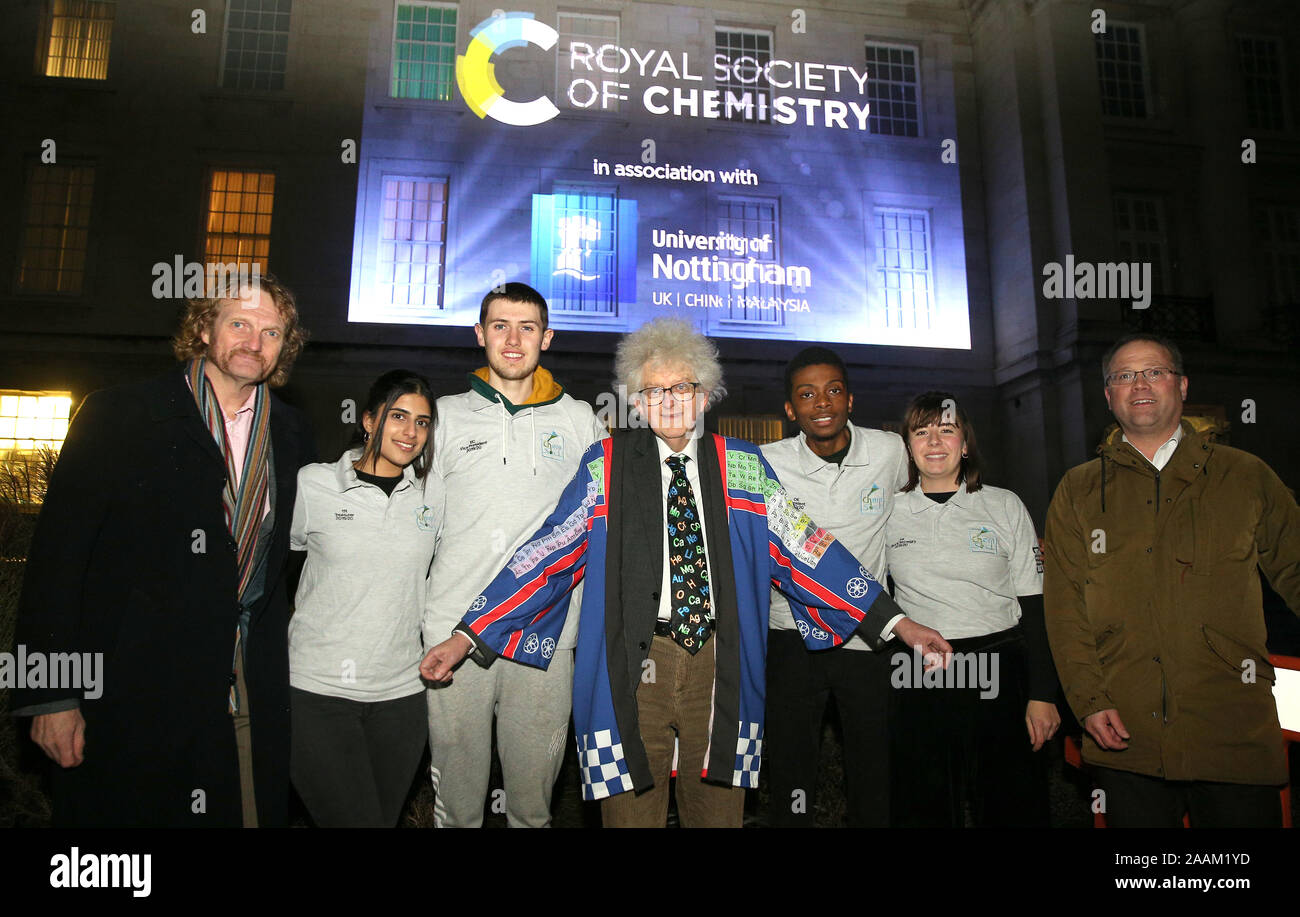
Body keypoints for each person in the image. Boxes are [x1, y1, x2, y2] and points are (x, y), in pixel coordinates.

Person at [420, 318, 951, 828]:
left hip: (722, 669)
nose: (669, 401)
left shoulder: (741, 464)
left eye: (682, 387)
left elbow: (805, 547)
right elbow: (547, 554)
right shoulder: (606, 464)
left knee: (718, 814)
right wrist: (469, 633)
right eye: (654, 391)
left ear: (704, 395)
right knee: (628, 814)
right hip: (629, 669)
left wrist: (897, 623)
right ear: (637, 400)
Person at [13, 273, 316, 827]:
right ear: (204, 330)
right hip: (133, 690)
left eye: (271, 333)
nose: (254, 342)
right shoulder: (120, 415)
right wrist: (50, 696)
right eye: (240, 324)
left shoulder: (293, 434)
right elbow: (58, 560)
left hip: (246, 684)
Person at [1044, 332, 1300, 827]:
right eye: (1123, 376)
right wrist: (1089, 701)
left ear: (1182, 386)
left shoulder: (1245, 476)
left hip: (1232, 727)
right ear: (1108, 396)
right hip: (1125, 730)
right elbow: (1064, 606)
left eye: (1154, 372)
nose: (1139, 384)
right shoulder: (1077, 490)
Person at [422, 282, 605, 827]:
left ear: (546, 338)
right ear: (479, 335)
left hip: (545, 638)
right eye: (499, 326)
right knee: (457, 809)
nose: (512, 339)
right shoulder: (442, 416)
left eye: (527, 327)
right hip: (454, 631)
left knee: (531, 808)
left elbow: (601, 525)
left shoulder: (580, 421)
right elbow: (414, 520)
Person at [885, 392, 1059, 826]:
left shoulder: (1004, 505)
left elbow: (1036, 606)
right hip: (920, 670)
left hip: (999, 665)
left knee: (1010, 802)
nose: (935, 441)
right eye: (921, 432)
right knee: (922, 803)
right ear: (908, 446)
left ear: (965, 443)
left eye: (947, 429)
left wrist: (1042, 694)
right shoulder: (889, 511)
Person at [759, 346, 908, 827]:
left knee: (874, 764)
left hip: (869, 632)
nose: (821, 403)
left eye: (833, 391)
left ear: (851, 400)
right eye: (807, 394)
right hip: (788, 632)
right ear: (790, 409)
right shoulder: (766, 461)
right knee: (790, 766)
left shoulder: (889, 451)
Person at [288, 370, 442, 827]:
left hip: (402, 697)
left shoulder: (433, 495)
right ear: (369, 421)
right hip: (318, 692)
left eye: (423, 421)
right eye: (398, 416)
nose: (410, 432)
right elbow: (270, 564)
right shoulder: (314, 485)